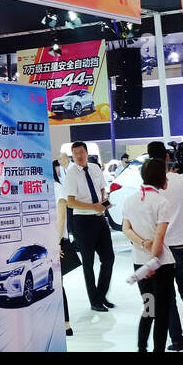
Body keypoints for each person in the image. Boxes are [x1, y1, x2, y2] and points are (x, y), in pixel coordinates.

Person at [147, 142, 183, 352]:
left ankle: (177, 341)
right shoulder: (182, 179)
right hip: (181, 244)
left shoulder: (147, 185)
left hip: (160, 247)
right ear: (166, 157)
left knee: (168, 297)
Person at [120, 158, 176, 352]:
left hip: (139, 263)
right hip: (160, 265)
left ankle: (141, 348)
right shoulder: (162, 202)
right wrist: (153, 262)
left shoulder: (130, 200)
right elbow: (159, 236)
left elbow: (125, 229)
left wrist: (143, 244)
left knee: (148, 308)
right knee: (162, 313)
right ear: (161, 176)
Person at [64, 140, 115, 311]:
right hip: (82, 221)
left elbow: (102, 189)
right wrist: (93, 207)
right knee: (88, 262)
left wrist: (104, 202)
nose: (79, 155)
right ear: (73, 155)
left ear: (86, 153)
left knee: (108, 258)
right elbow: (70, 203)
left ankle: (101, 295)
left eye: (81, 152)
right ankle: (94, 301)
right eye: (75, 153)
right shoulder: (70, 173)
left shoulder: (94, 168)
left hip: (99, 218)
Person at [53, 155, 72, 338]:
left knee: (58, 284)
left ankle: (66, 324)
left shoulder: (57, 188)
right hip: (43, 243)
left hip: (57, 243)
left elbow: (61, 217)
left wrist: (56, 242)